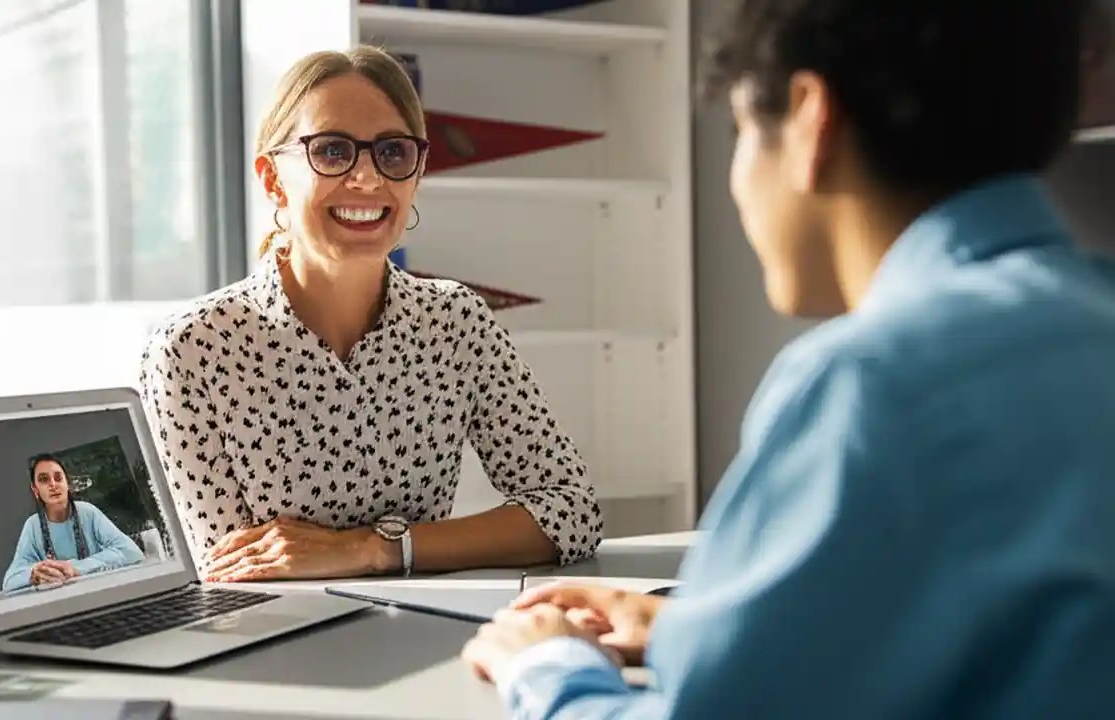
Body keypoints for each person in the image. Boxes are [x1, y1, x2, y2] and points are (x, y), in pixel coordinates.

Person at [461, 1, 1115, 717]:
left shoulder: (869, 383)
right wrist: (700, 632)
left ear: (809, 118)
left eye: (741, 130)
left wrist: (549, 668)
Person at [139, 46, 602, 582]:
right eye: (332, 152)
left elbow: (572, 511)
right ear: (271, 179)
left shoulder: (456, 323)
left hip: (426, 636)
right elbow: (227, 576)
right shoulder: (192, 349)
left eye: (393, 153)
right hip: (273, 651)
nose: (367, 178)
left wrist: (373, 548)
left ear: (417, 173)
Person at [2, 454, 143, 591]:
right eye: (44, 480)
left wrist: (76, 568)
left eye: (58, 478)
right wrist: (35, 575)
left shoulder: (88, 513)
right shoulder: (33, 526)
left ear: (67, 484)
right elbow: (10, 581)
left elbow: (131, 551)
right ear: (35, 490)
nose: (53, 484)